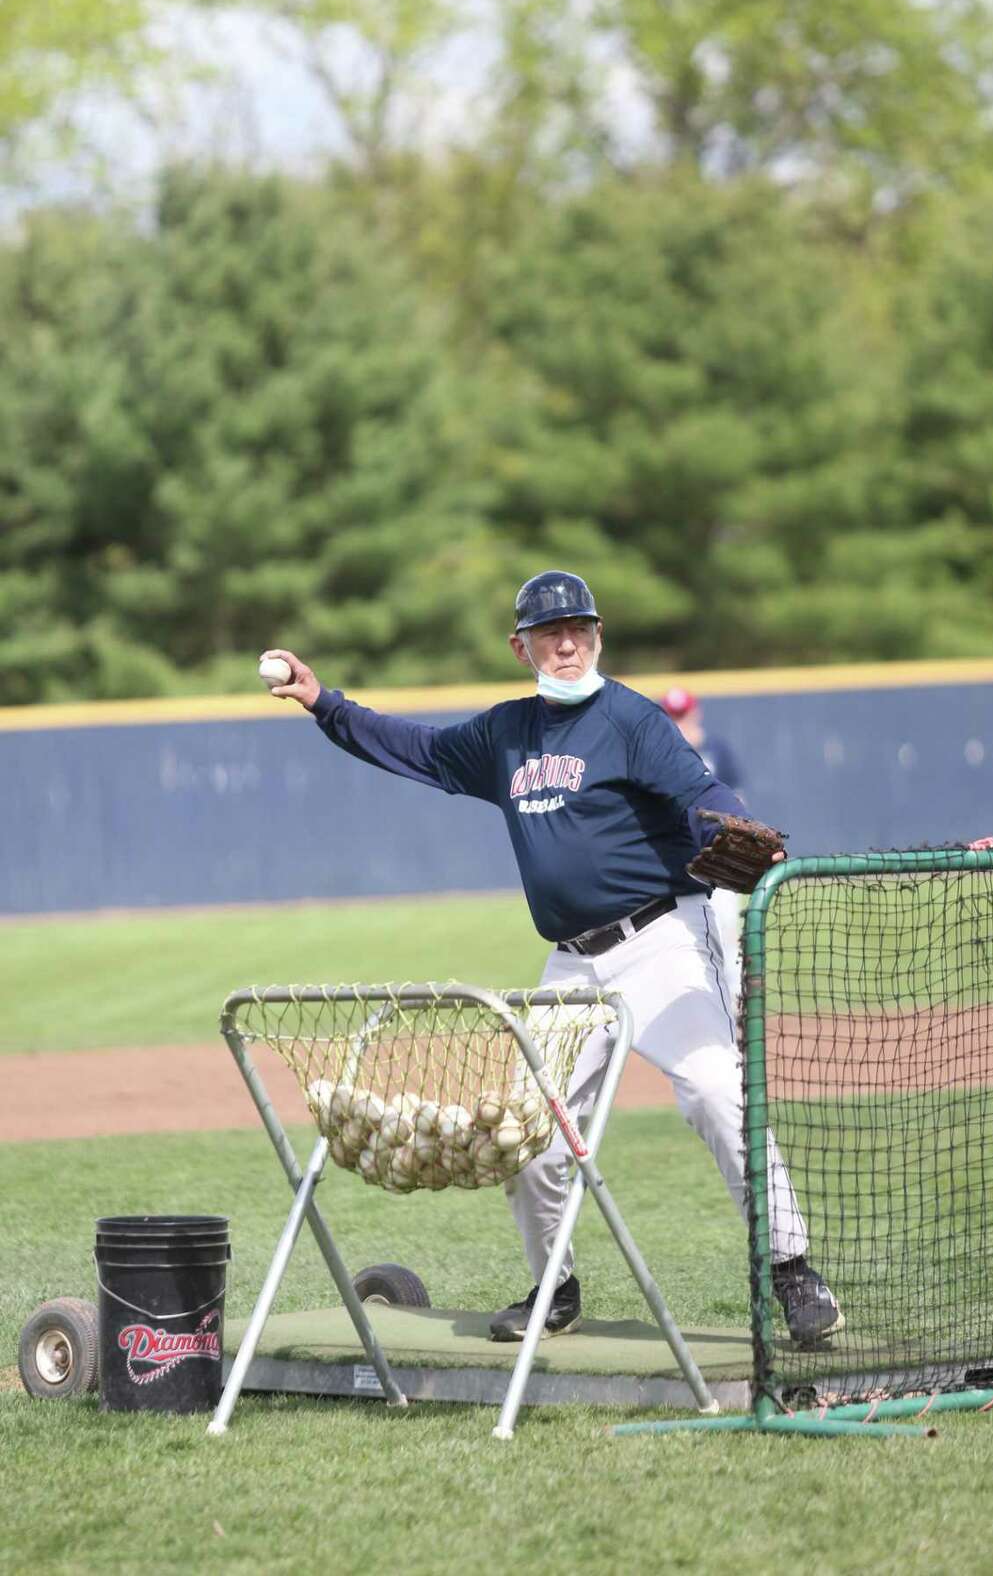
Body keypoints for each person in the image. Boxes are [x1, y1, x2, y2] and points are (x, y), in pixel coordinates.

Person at [262, 570, 841, 1347]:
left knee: (713, 1090)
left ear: (598, 637)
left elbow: (701, 798)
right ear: (521, 646)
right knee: (525, 1128)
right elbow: (420, 750)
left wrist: (739, 831)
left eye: (580, 629)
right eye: (549, 632)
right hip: (572, 966)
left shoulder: (632, 721)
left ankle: (792, 1272)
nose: (566, 642)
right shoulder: (506, 735)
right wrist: (325, 703)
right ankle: (554, 1287)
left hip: (661, 939)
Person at [661, 687, 747, 993]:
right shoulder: (659, 755)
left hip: (718, 857)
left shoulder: (716, 749)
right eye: (673, 716)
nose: (679, 721)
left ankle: (737, 997)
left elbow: (736, 798)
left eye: (682, 714)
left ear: (694, 712)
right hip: (680, 861)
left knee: (727, 929)